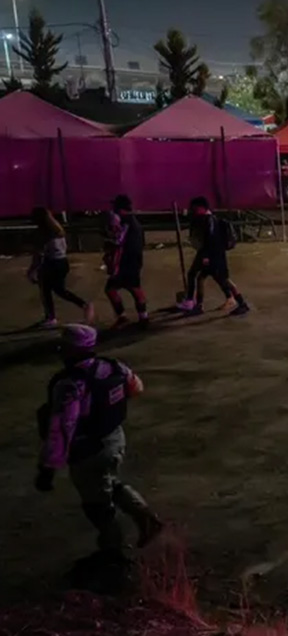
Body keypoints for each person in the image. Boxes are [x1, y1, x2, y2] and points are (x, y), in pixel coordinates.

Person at [36, 324, 163, 565]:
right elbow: (136, 387)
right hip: (114, 438)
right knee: (109, 482)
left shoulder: (70, 384)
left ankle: (112, 551)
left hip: (88, 450)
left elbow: (63, 428)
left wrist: (48, 468)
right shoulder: (113, 366)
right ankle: (146, 520)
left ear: (72, 349)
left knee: (96, 504)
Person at [177, 197, 250, 317]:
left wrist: (206, 256)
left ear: (201, 208)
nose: (193, 211)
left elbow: (211, 240)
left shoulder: (209, 220)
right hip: (213, 255)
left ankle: (242, 303)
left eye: (195, 209)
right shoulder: (207, 219)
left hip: (213, 256)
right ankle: (198, 305)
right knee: (201, 277)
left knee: (223, 280)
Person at [27, 208, 95, 328]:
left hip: (51, 263)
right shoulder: (58, 230)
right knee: (59, 290)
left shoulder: (43, 233)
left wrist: (32, 270)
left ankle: (51, 317)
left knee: (46, 290)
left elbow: (38, 254)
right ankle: (83, 305)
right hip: (62, 261)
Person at [103, 195, 149, 329]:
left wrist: (110, 249)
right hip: (134, 259)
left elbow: (118, 241)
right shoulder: (134, 222)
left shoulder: (126, 222)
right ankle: (142, 316)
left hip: (125, 261)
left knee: (113, 289)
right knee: (133, 288)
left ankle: (125, 316)